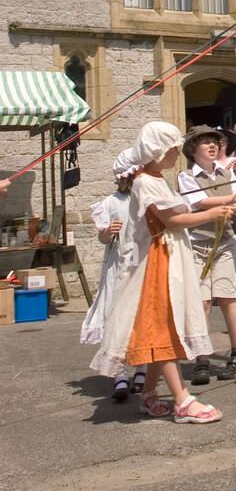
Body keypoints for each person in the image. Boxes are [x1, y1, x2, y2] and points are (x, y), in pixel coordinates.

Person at [89, 122, 235, 423]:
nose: (174, 154)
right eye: (169, 149)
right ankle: (181, 398)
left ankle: (149, 393)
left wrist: (230, 204)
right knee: (162, 324)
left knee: (164, 323)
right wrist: (209, 214)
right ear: (155, 151)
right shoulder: (145, 182)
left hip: (168, 255)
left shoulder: (157, 178)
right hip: (157, 260)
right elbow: (170, 218)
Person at [177, 126, 236, 384]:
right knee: (203, 302)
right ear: (192, 150)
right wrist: (235, 197)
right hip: (198, 244)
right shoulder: (186, 177)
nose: (212, 146)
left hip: (225, 243)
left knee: (228, 297)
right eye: (204, 142)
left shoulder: (227, 173)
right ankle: (202, 358)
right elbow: (198, 202)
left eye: (214, 142)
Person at [80, 152, 144, 402]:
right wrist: (108, 232)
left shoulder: (144, 199)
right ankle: (120, 374)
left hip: (141, 262)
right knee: (116, 316)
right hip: (118, 266)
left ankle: (142, 369)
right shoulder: (110, 202)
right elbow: (103, 238)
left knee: (140, 316)